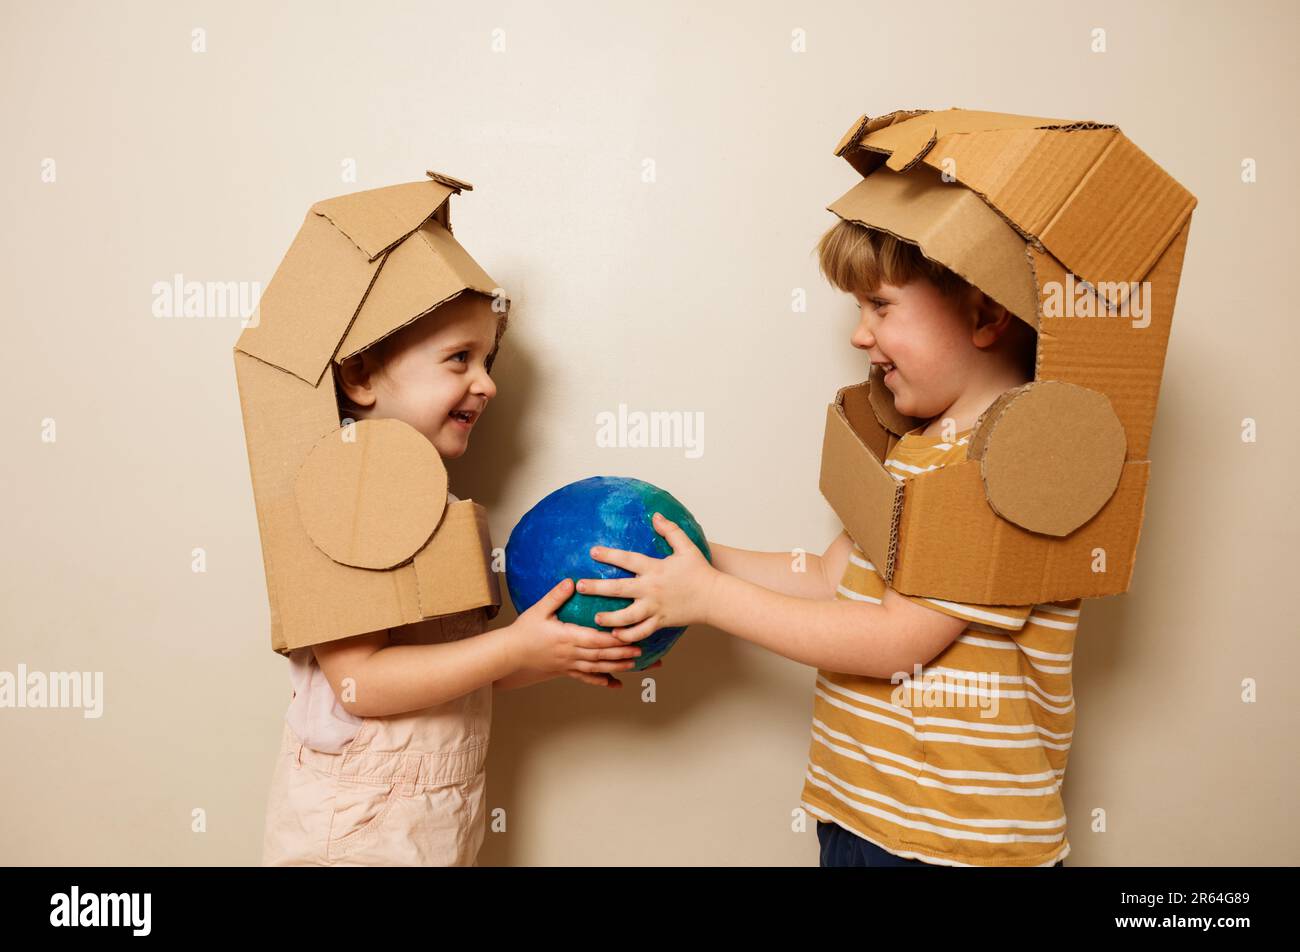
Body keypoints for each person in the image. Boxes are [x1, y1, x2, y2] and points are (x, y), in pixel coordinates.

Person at [577, 223, 1077, 867]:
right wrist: (693, 556)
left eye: (881, 305)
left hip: (957, 842)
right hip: (867, 817)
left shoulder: (1007, 464)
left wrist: (709, 598)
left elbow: (899, 640)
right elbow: (827, 576)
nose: (859, 333)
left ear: (984, 314)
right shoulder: (920, 452)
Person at [261, 291, 646, 866]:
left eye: (487, 362)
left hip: (433, 816)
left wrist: (558, 654)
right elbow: (360, 684)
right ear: (362, 375)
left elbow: (448, 673)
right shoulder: (349, 499)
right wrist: (515, 643)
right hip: (359, 823)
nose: (487, 383)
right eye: (459, 358)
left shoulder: (433, 507)